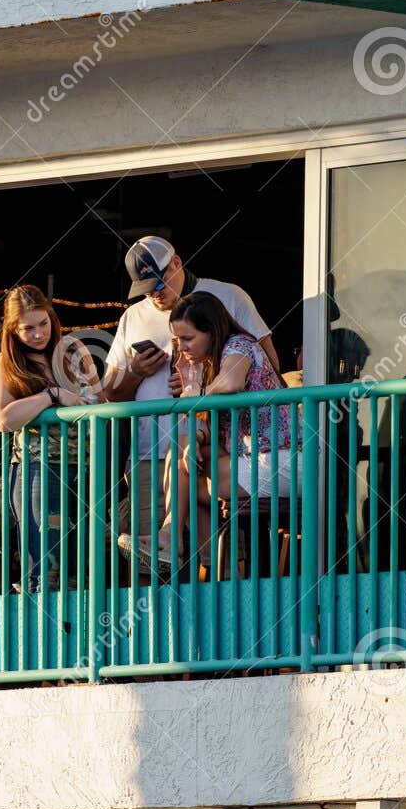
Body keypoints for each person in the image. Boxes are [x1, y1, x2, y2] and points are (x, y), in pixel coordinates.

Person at [105, 236, 276, 573]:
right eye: (144, 287)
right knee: (150, 563)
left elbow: (264, 364)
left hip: (217, 448)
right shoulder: (132, 317)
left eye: (159, 281)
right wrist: (137, 373)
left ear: (178, 262)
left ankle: (226, 615)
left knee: (219, 560)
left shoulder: (228, 297)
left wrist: (199, 391)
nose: (153, 292)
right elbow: (110, 395)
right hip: (149, 454)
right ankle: (161, 621)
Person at [0, 285, 104, 592]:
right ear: (13, 329)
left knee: (81, 570)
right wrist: (51, 396)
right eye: (28, 328)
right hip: (38, 472)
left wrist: (82, 400)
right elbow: (2, 419)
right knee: (48, 571)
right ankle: (41, 636)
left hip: (84, 470)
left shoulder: (73, 350)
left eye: (44, 323)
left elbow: (101, 403)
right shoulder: (8, 362)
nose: (39, 333)